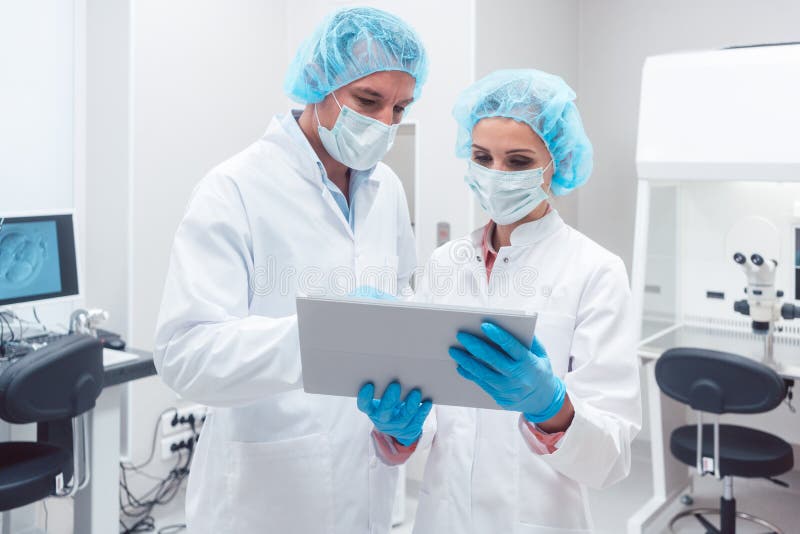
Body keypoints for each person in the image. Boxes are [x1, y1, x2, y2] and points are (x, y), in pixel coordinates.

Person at [153, 7, 428, 533]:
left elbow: (400, 313)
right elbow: (185, 354)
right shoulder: (233, 188)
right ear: (318, 86)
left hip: (370, 486)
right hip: (267, 496)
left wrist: (402, 424)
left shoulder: (385, 189)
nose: (384, 123)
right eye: (368, 101)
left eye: (399, 108)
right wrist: (327, 336)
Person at [357, 69, 641, 533]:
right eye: (482, 157)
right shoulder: (446, 262)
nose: (496, 175)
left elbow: (611, 458)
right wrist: (403, 428)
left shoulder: (595, 271)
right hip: (442, 517)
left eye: (518, 160)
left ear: (557, 161)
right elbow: (433, 413)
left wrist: (552, 409)